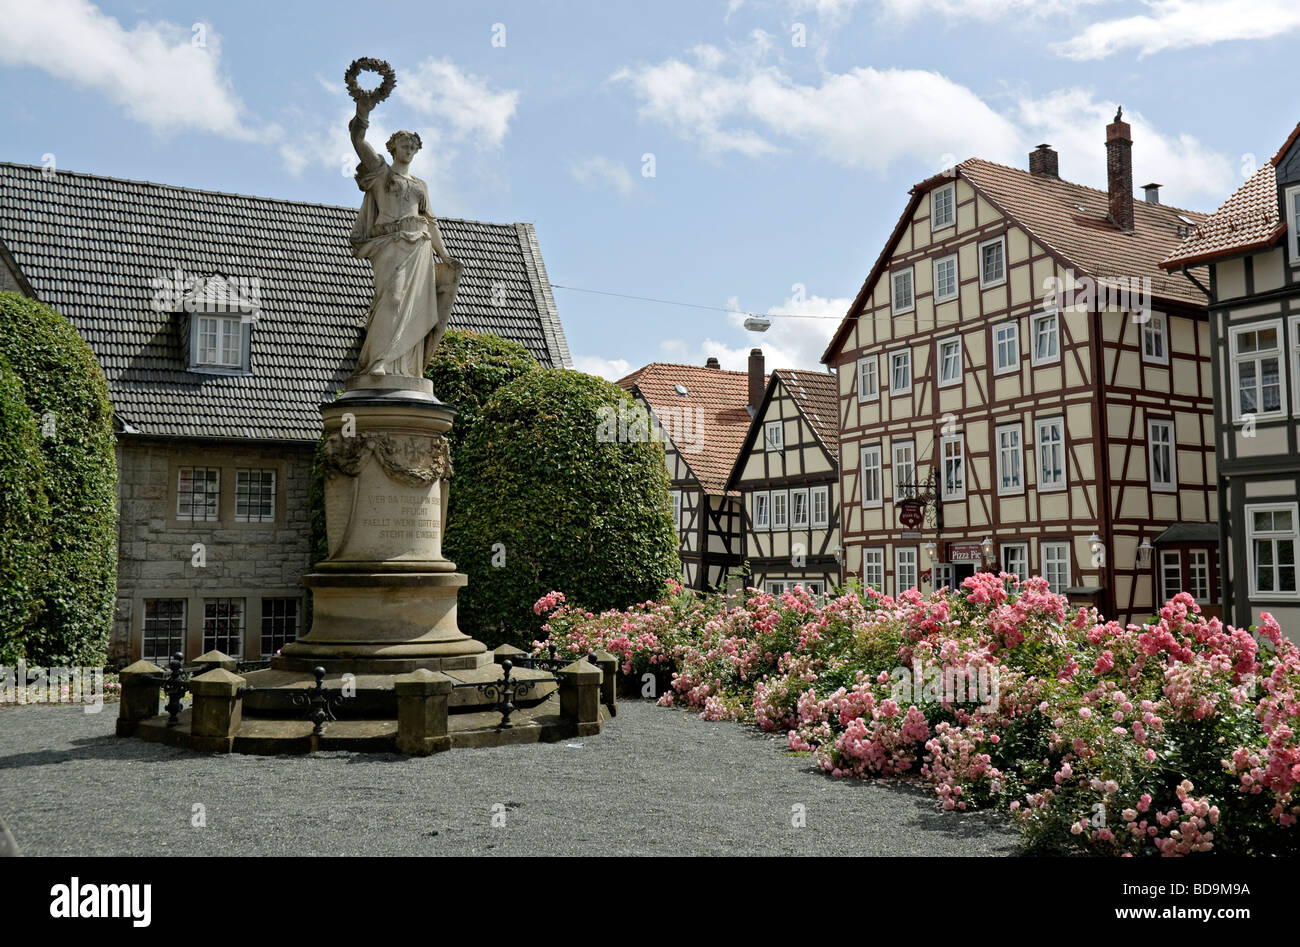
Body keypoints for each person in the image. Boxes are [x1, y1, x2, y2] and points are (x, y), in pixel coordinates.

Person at [347, 98, 462, 379]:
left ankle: (406, 367)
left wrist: (445, 257)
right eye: (404, 145)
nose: (408, 150)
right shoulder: (380, 173)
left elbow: (431, 222)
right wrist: (363, 111)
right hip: (391, 244)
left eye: (413, 147)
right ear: (393, 147)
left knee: (416, 305)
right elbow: (358, 139)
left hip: (420, 246)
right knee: (393, 298)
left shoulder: (420, 185)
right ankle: (378, 359)